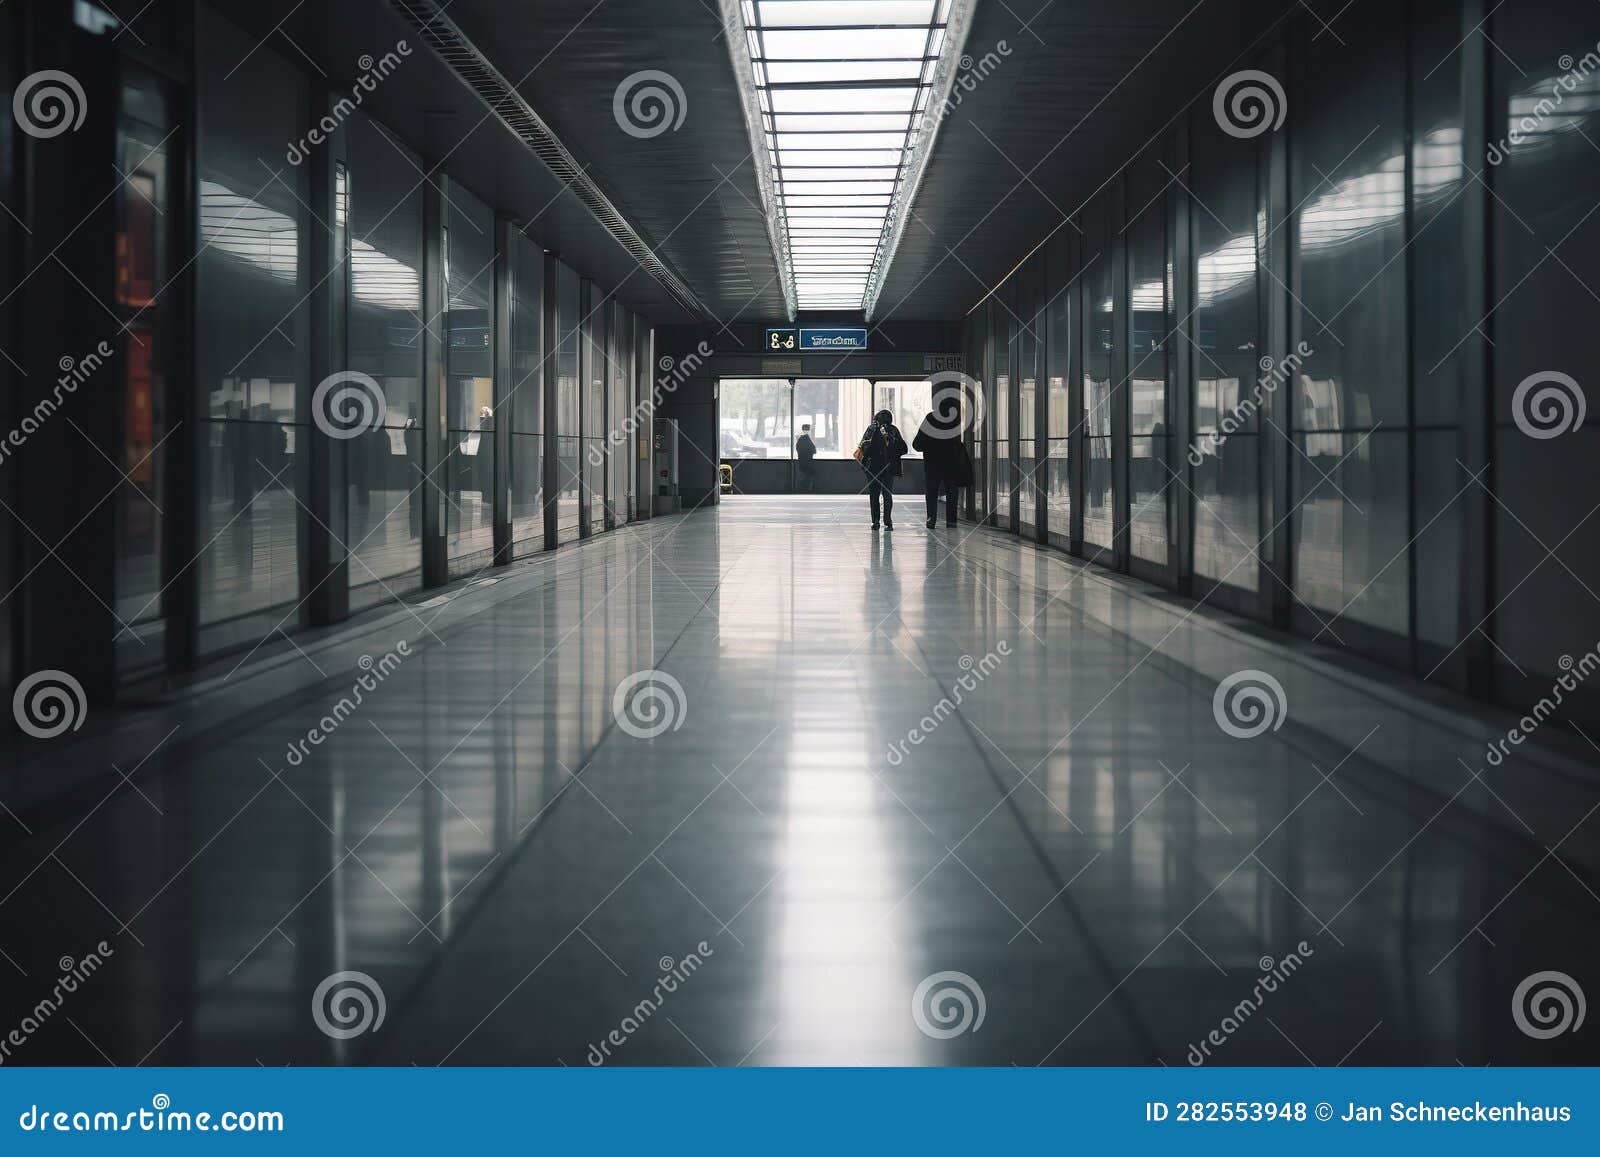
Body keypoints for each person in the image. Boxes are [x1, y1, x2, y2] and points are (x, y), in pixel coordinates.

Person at [913, 405, 972, 528]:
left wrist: (929, 446)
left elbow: (917, 444)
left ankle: (931, 519)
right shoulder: (953, 421)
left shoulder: (930, 419)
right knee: (951, 491)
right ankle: (951, 521)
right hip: (950, 463)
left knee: (932, 491)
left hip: (932, 463)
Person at [858, 408, 907, 530]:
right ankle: (888, 522)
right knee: (887, 494)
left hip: (873, 468)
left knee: (874, 495)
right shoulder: (894, 430)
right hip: (889, 468)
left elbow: (864, 448)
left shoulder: (871, 429)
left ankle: (875, 522)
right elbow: (903, 449)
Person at [795, 423, 817, 493]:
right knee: (809, 475)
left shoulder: (799, 440)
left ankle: (801, 489)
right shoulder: (808, 440)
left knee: (802, 475)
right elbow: (814, 450)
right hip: (808, 461)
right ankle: (808, 489)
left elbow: (798, 449)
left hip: (801, 461)